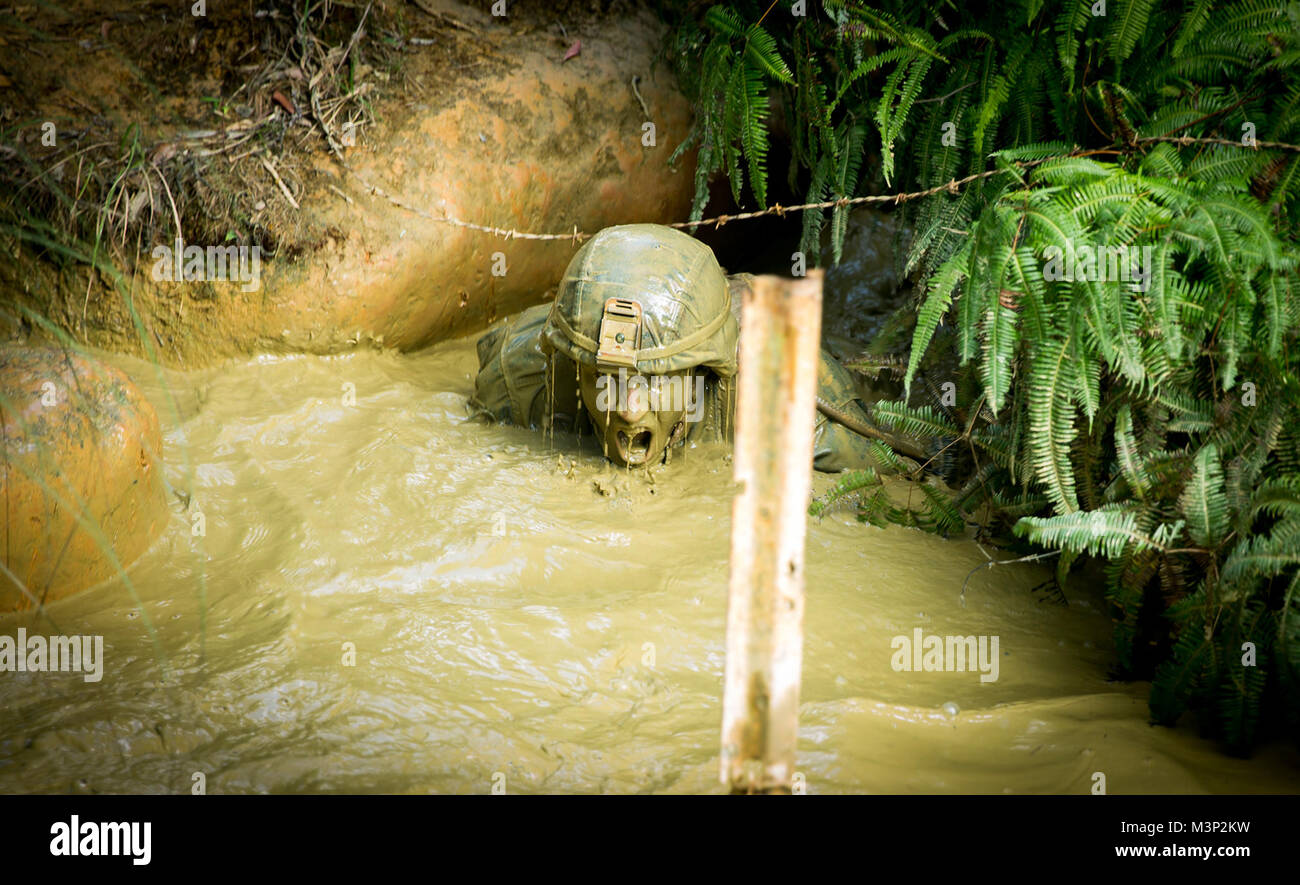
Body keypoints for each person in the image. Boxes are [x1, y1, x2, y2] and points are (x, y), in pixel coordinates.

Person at [467, 223, 919, 472]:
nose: (626, 410)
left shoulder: (786, 402)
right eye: (606, 378)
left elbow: (885, 483)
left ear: (702, 371)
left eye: (656, 382)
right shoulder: (523, 381)